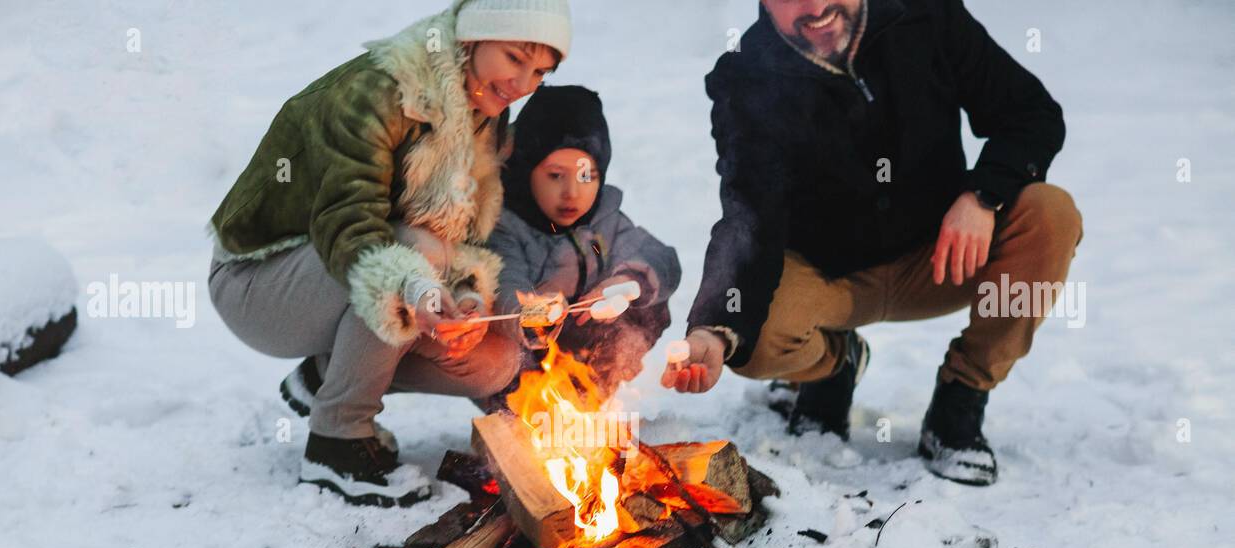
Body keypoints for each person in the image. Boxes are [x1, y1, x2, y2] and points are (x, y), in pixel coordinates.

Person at [664, 0, 1083, 486]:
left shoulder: (928, 16)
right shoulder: (746, 78)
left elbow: (1031, 113)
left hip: (942, 256)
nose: (817, 7)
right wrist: (712, 329)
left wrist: (983, 196)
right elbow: (749, 219)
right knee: (751, 343)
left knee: (1050, 214)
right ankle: (832, 369)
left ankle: (960, 399)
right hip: (830, 278)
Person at [207, 0, 572, 506]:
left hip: (369, 274)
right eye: (514, 58)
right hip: (260, 282)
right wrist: (418, 286)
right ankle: (337, 443)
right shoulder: (377, 92)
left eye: (540, 72)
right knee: (411, 249)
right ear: (472, 38)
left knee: (493, 360)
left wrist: (463, 300)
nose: (523, 83)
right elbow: (347, 224)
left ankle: (323, 379)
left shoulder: (484, 108)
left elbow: (459, 238)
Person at [485, 85, 681, 401]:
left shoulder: (606, 220)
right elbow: (504, 285)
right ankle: (524, 408)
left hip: (581, 349)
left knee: (648, 299)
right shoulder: (505, 224)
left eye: (586, 176)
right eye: (555, 176)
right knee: (504, 349)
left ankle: (589, 396)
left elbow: (661, 258)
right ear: (526, 171)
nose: (572, 193)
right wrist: (534, 311)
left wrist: (624, 282)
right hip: (523, 359)